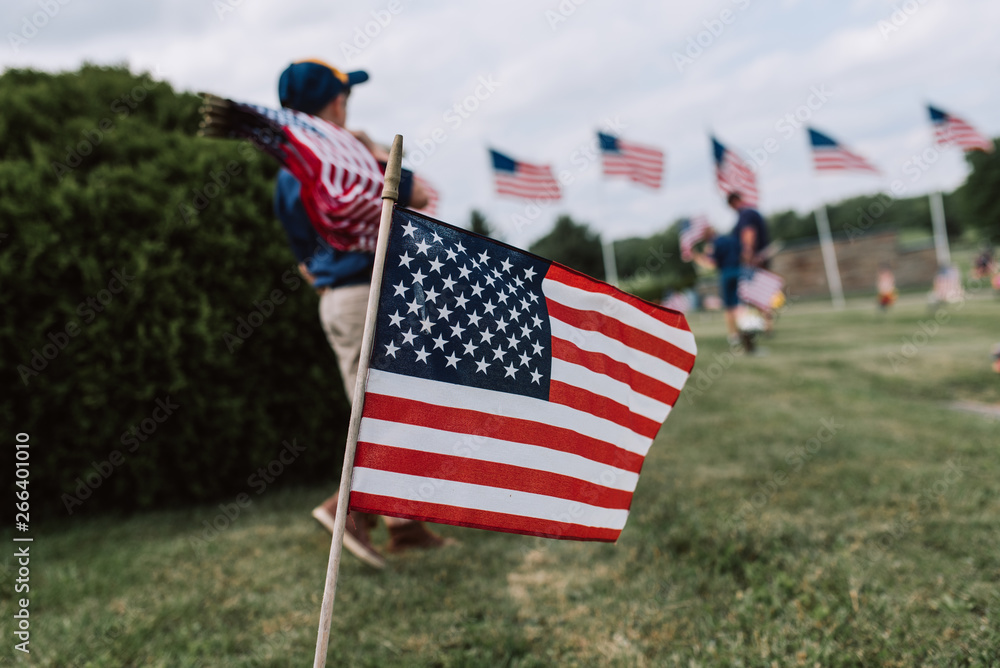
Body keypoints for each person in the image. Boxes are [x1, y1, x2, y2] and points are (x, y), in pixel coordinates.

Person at [274, 59, 440, 569]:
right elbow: (421, 192)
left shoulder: (288, 171)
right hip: (369, 289)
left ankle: (405, 526)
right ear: (337, 102)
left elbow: (304, 263)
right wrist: (372, 150)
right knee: (392, 410)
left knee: (374, 408)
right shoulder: (347, 157)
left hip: (335, 299)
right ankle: (346, 509)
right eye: (345, 97)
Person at [692, 229, 742, 347]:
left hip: (726, 274)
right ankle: (744, 330)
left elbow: (710, 265)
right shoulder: (732, 239)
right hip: (739, 271)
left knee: (729, 307)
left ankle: (734, 335)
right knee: (739, 304)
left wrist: (696, 257)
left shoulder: (714, 245)